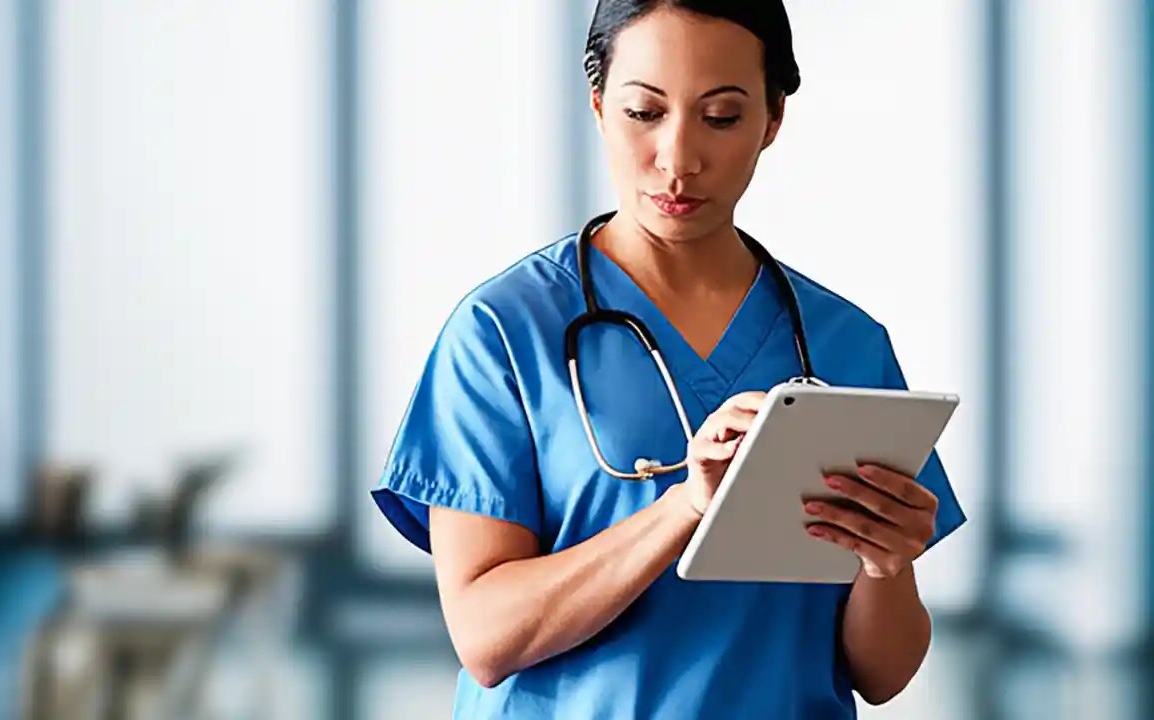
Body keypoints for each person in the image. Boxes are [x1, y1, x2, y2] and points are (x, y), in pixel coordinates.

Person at [370, 1, 966, 717]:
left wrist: (886, 563)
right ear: (598, 105)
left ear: (772, 120)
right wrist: (687, 504)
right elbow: (486, 638)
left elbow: (883, 674)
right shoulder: (503, 332)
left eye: (721, 117)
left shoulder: (846, 344)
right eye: (644, 113)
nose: (678, 160)